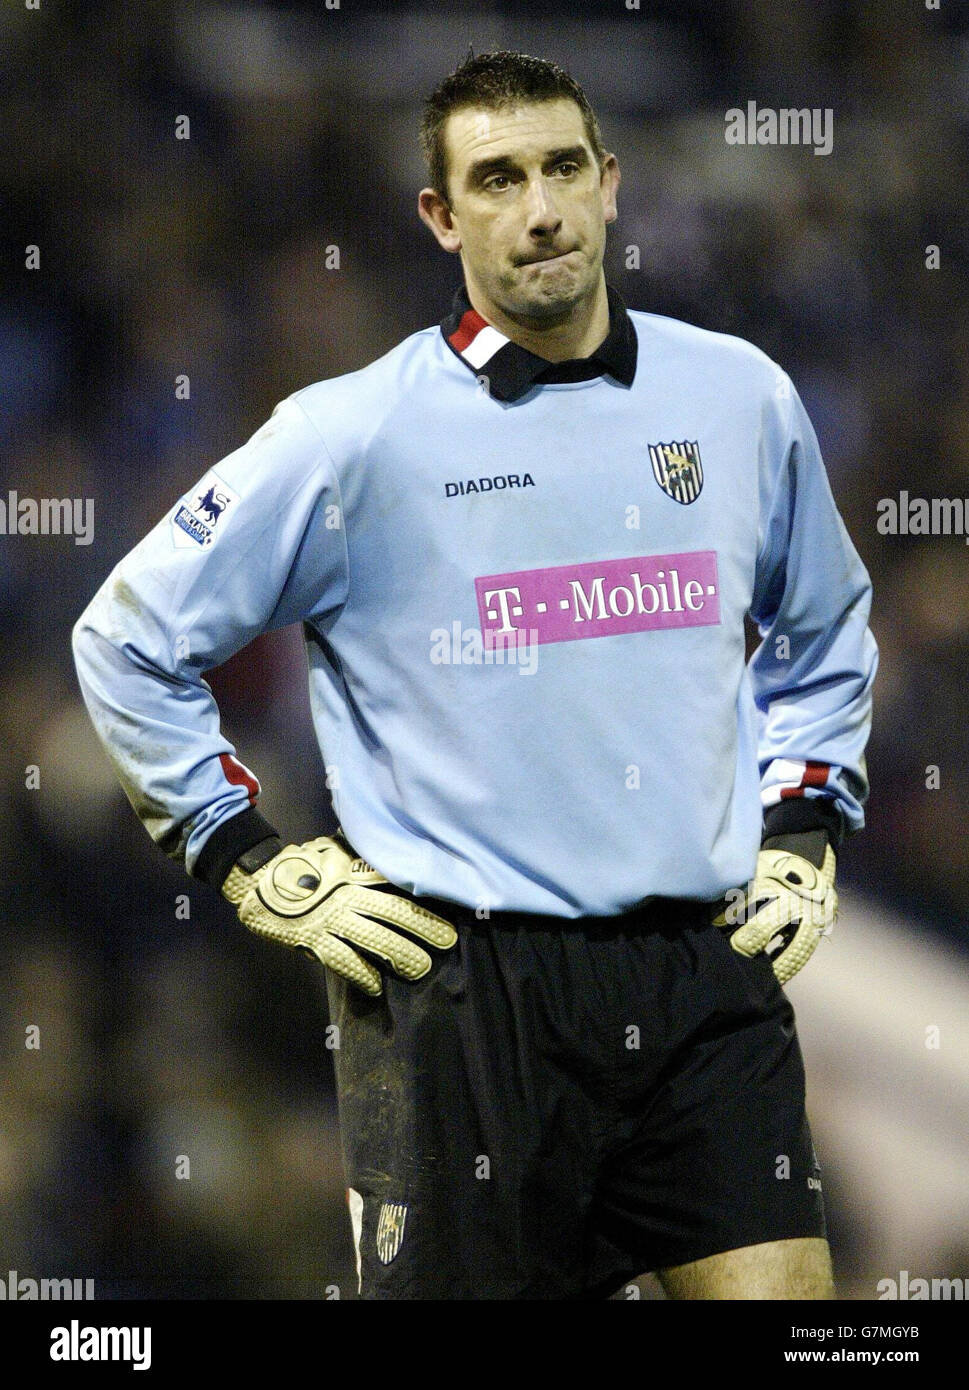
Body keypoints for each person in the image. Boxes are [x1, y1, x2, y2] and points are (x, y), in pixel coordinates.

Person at [72, 50, 877, 1300]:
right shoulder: (351, 434)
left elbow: (823, 628)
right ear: (441, 219)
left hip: (701, 977)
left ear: (612, 185)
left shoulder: (740, 398)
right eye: (497, 178)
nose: (541, 207)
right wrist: (245, 856)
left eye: (563, 168)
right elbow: (123, 639)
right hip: (460, 996)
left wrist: (807, 819)